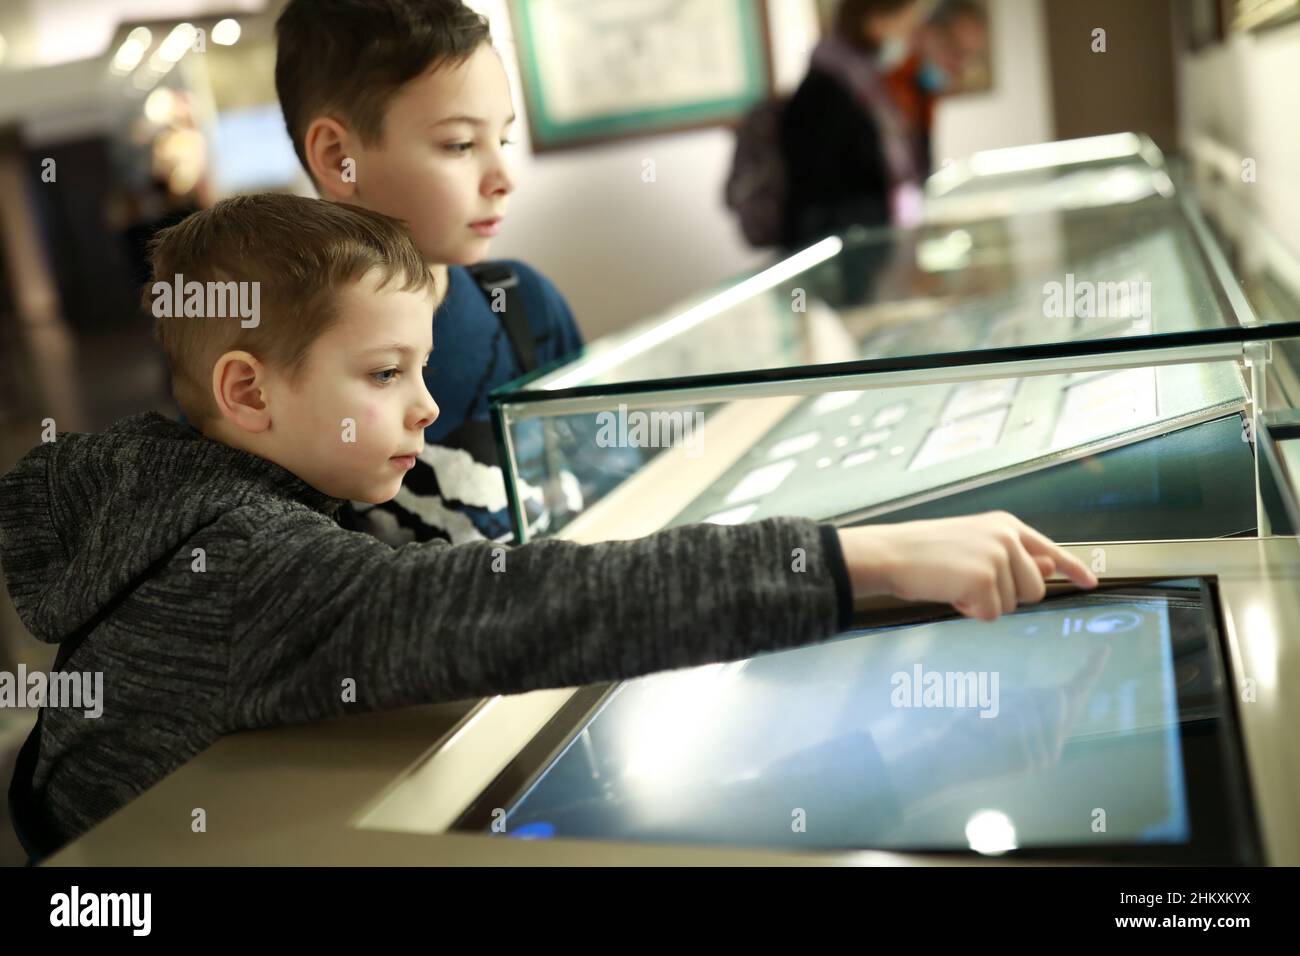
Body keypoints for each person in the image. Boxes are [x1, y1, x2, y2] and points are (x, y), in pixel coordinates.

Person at [0, 193, 1098, 858]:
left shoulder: (167, 478)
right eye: (385, 373)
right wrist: (857, 558)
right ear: (248, 393)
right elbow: (518, 606)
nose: (425, 407)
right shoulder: (239, 565)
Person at [274, 0, 585, 545]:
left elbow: (608, 473)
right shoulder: (274, 367)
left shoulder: (526, 304)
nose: (502, 178)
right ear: (337, 155)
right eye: (460, 144)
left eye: (503, 140)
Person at [780, 0, 926, 250]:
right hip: (840, 249)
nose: (908, 39)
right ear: (874, 21)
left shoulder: (867, 84)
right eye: (905, 27)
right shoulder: (826, 88)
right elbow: (819, 192)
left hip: (866, 240)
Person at [885, 0, 991, 175]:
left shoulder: (924, 92)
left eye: (969, 57)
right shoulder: (892, 86)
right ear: (929, 34)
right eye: (957, 51)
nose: (959, 68)